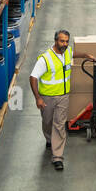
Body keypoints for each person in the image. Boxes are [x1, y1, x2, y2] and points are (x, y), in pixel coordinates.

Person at [30, 29, 72, 171]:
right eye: (62, 41)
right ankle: (49, 139)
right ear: (55, 41)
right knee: (47, 122)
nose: (64, 44)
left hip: (63, 96)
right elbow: (33, 77)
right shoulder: (45, 59)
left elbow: (74, 54)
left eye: (66, 41)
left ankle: (57, 157)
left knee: (59, 125)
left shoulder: (68, 52)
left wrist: (86, 55)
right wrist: (38, 98)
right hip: (47, 97)